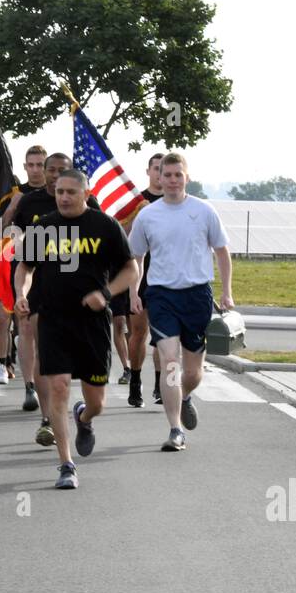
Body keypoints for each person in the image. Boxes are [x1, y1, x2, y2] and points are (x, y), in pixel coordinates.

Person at [14, 168, 139, 489]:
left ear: (86, 193)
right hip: (54, 319)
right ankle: (65, 464)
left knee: (97, 402)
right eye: (59, 192)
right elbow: (24, 268)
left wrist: (107, 293)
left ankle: (84, 417)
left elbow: (130, 269)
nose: (65, 197)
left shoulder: (105, 225)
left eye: (71, 192)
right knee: (57, 387)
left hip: (93, 322)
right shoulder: (44, 227)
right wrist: (22, 294)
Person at [127, 152, 233, 452]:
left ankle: (186, 395)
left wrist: (227, 292)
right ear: (158, 177)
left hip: (197, 294)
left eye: (178, 174)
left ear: (187, 177)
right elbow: (137, 256)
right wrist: (134, 291)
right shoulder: (148, 214)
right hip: (161, 296)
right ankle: (175, 429)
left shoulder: (203, 211)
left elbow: (222, 252)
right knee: (169, 359)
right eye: (167, 174)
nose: (172, 180)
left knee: (192, 371)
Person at [4, 152, 101, 444]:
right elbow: (3, 232)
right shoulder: (29, 201)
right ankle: (43, 408)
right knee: (33, 335)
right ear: (44, 173)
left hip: (76, 291)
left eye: (63, 171)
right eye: (52, 171)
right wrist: (16, 223)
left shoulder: (87, 204)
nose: (57, 177)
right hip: (36, 280)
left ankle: (77, 408)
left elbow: (100, 236)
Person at [126, 152, 164, 407]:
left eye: (166, 169)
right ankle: (135, 379)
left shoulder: (176, 203)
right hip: (139, 276)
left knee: (163, 335)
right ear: (148, 171)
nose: (161, 174)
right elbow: (124, 235)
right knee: (138, 332)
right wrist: (138, 214)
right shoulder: (137, 202)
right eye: (157, 169)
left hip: (165, 279)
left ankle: (161, 386)